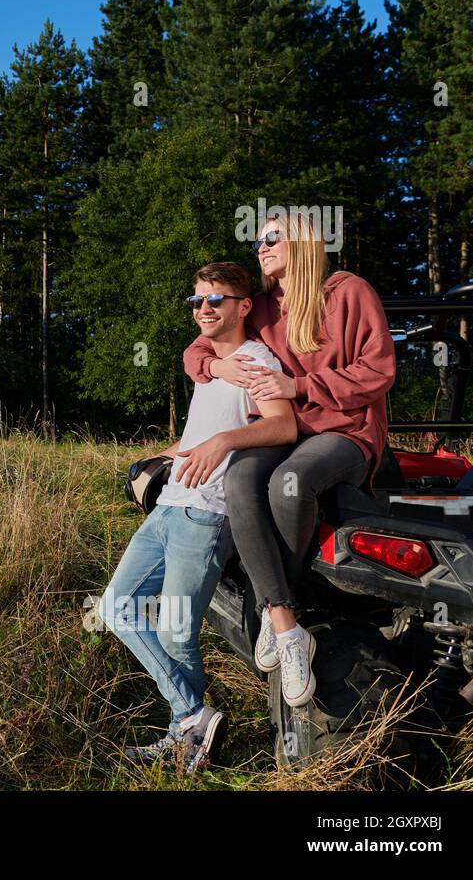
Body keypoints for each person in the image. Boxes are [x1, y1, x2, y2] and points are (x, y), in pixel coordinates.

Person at [182, 211, 395, 709]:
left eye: (272, 237)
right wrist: (215, 365)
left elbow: (378, 371)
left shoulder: (348, 291)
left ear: (303, 242)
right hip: (286, 429)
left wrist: (298, 385)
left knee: (290, 483)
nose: (260, 246)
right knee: (240, 479)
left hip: (345, 430)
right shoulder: (258, 306)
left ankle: (283, 600)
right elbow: (197, 347)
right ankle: (284, 623)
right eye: (258, 239)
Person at [102, 261, 296, 773]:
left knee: (175, 630)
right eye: (196, 301)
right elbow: (201, 436)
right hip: (168, 507)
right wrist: (161, 459)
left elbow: (282, 427)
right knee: (116, 606)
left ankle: (187, 730)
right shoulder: (211, 362)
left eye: (215, 300)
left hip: (207, 513)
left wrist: (226, 441)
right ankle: (190, 719)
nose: (203, 309)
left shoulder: (256, 361)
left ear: (243, 306)